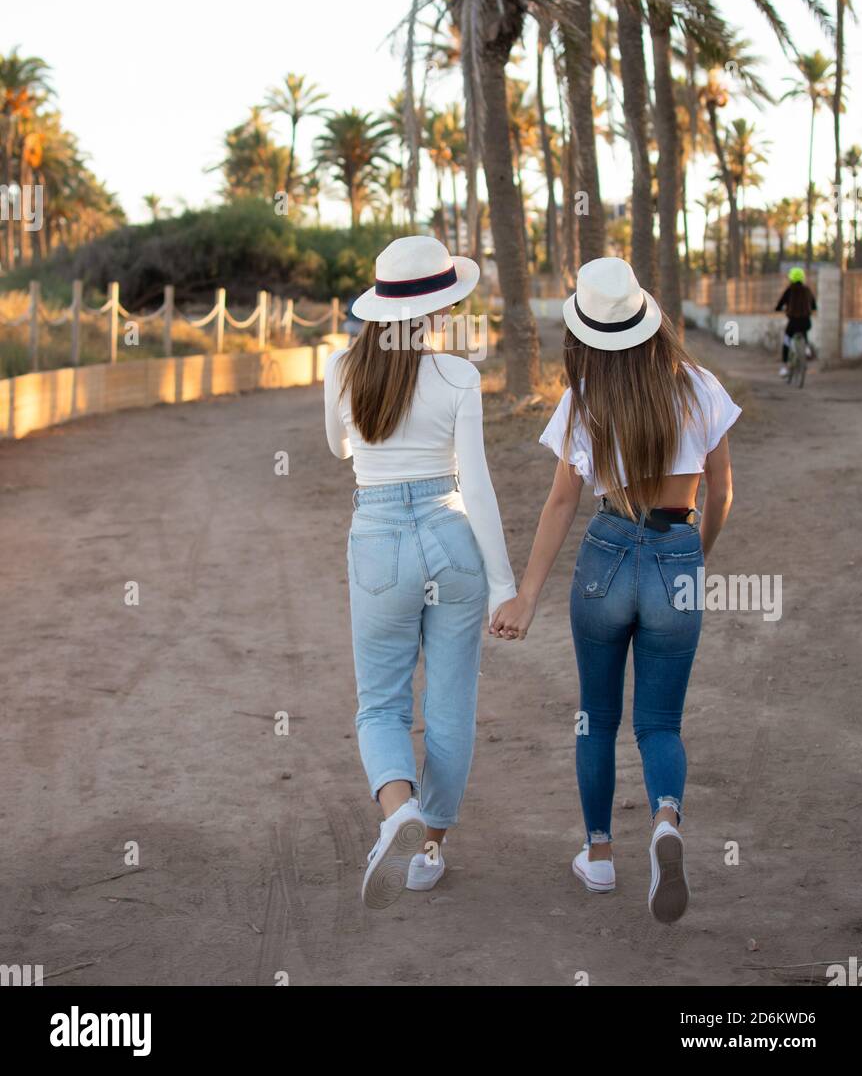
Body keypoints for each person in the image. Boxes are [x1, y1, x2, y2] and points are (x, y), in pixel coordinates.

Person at [490, 257, 740, 924]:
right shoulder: (701, 386)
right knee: (660, 723)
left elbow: (560, 503)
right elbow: (723, 492)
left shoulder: (583, 400)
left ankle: (599, 856)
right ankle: (664, 822)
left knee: (594, 717)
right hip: (674, 553)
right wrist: (693, 560)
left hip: (605, 556)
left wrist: (525, 597)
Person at [324, 235, 515, 909]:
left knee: (380, 702)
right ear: (437, 310)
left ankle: (395, 805)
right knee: (450, 707)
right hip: (450, 533)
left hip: (378, 540)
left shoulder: (341, 369)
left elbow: (337, 445)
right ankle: (430, 847)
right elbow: (479, 485)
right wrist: (504, 584)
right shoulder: (460, 377)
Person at [775, 267, 817, 375]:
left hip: (793, 323)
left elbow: (779, 305)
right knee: (803, 331)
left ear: (791, 278)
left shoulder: (790, 290)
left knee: (787, 340)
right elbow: (814, 306)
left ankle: (784, 367)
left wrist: (779, 309)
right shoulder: (807, 290)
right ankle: (806, 347)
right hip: (806, 322)